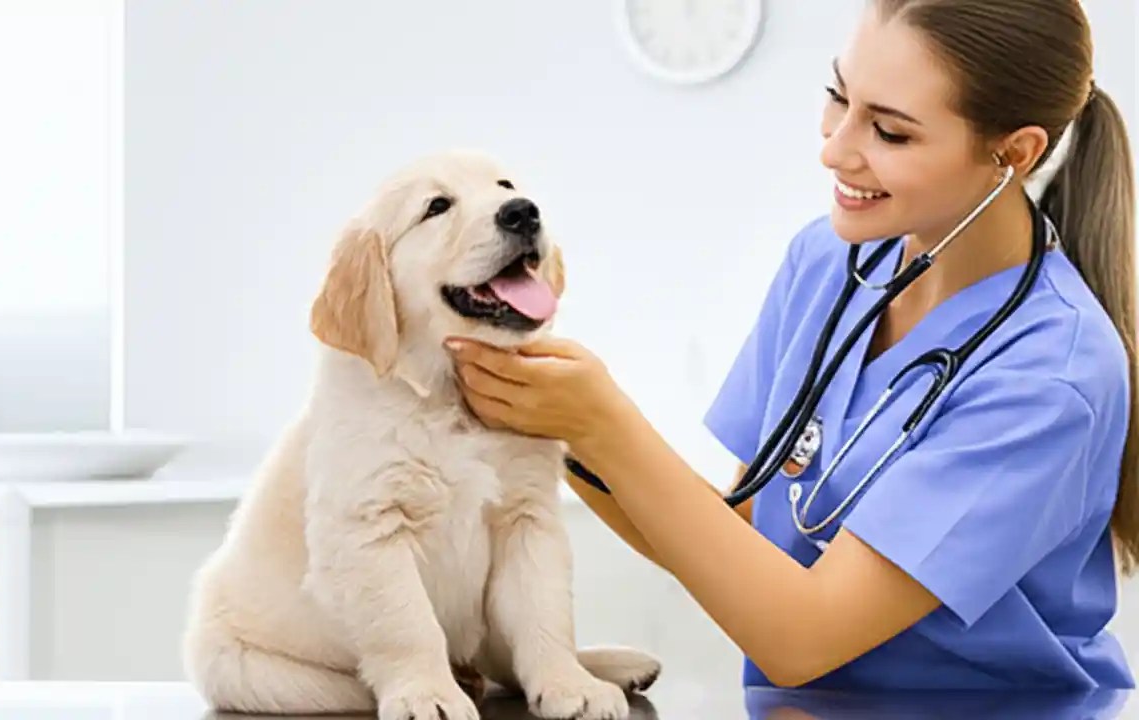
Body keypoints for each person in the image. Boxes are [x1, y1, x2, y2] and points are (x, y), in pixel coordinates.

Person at [444, 0, 1138, 691]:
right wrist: (553, 426)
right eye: (839, 95)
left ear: (1013, 154)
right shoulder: (829, 263)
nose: (834, 148)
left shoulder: (1050, 375)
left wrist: (600, 421)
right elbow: (738, 540)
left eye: (889, 131)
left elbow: (802, 639)